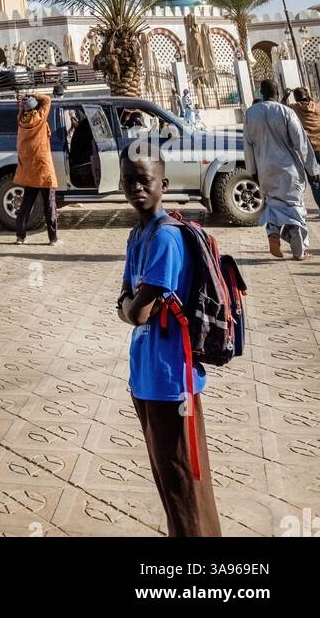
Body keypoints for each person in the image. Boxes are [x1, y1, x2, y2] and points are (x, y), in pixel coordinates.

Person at [117, 146, 222, 538]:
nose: (137, 188)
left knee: (185, 487)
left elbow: (135, 311)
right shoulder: (137, 235)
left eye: (145, 180)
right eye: (130, 180)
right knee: (170, 484)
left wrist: (132, 305)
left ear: (164, 184)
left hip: (172, 381)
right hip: (145, 376)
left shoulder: (165, 238)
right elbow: (126, 303)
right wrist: (132, 304)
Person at [244, 80, 311, 261]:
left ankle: (273, 233)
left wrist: (252, 171)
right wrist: (312, 168)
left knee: (272, 203)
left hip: (264, 169)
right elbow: (301, 143)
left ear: (261, 92)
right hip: (288, 169)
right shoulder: (285, 112)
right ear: (277, 91)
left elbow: (247, 146)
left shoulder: (250, 114)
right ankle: (299, 251)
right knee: (294, 206)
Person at [13, 93, 59, 244]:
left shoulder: (21, 121)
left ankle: (20, 237)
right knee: (49, 205)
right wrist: (32, 94)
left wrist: (22, 101)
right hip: (43, 168)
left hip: (29, 169)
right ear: (36, 108)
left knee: (26, 204)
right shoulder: (40, 117)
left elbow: (21, 109)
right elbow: (47, 99)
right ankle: (53, 238)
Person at [288, 87, 320, 215]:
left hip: (310, 152)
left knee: (315, 181)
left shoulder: (295, 108)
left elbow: (281, 106)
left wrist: (285, 96)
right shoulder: (317, 106)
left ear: (295, 98)